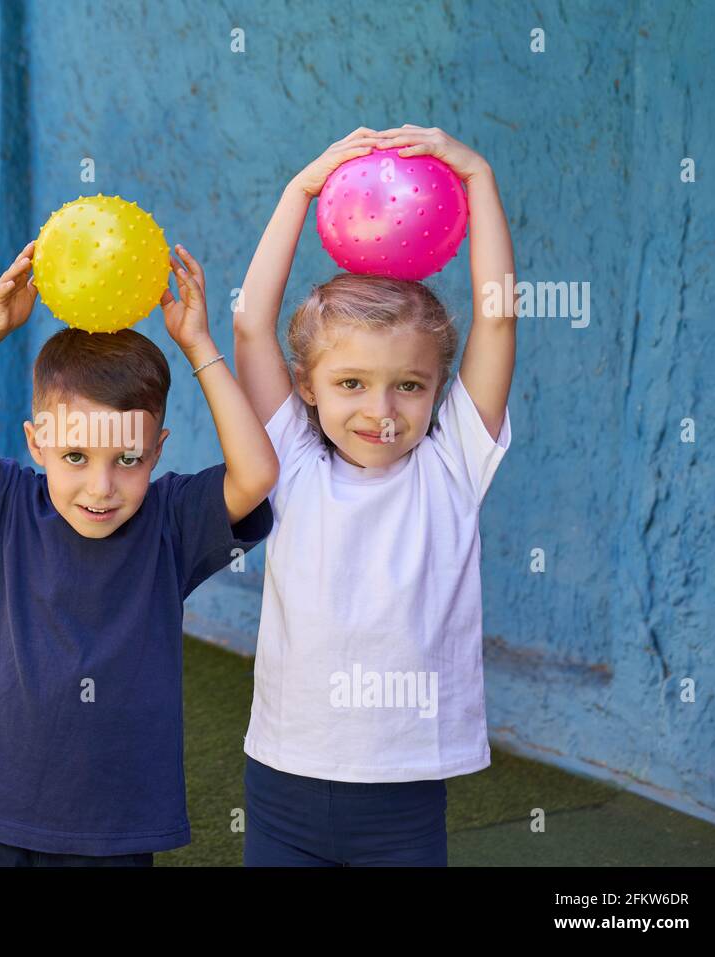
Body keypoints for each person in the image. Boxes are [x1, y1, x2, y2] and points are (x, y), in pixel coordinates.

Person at [0, 241, 278, 865]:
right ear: (37, 443)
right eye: (75, 457)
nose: (100, 486)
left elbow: (254, 475)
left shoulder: (171, 522)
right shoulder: (6, 501)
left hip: (115, 831)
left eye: (127, 459)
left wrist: (199, 347)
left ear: (157, 449)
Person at [233, 125, 517, 866]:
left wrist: (476, 175)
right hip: (283, 783)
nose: (380, 410)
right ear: (307, 387)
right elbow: (249, 325)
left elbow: (497, 316)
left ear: (438, 389)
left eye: (410, 385)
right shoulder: (290, 459)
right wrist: (302, 188)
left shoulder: (453, 463)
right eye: (351, 384)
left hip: (405, 793)